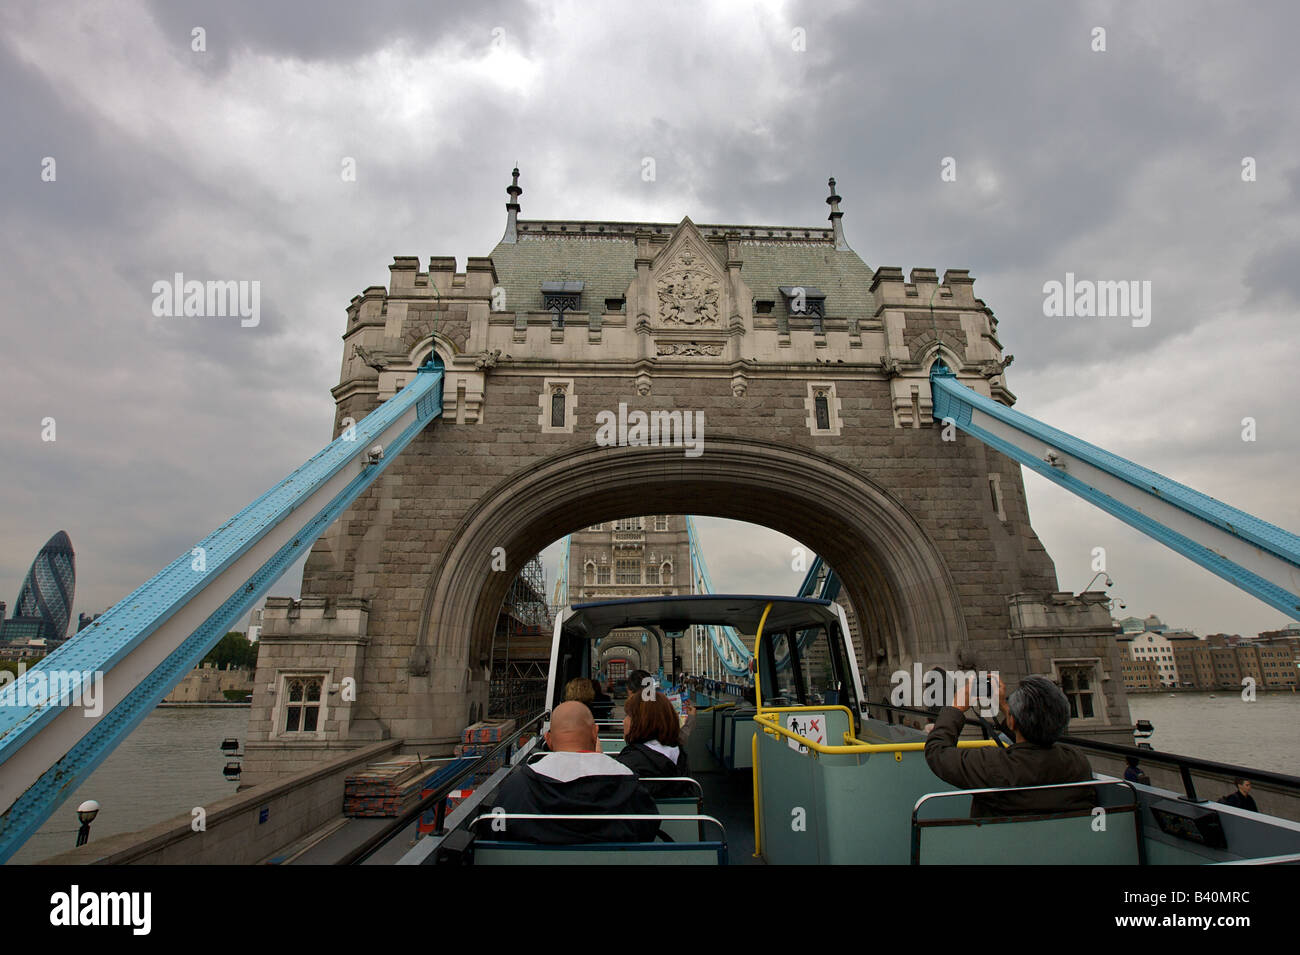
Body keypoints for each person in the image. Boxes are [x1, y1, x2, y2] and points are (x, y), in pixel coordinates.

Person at [924, 675, 1095, 818]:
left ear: (1012, 721)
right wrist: (1005, 707)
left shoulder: (993, 766)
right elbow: (1034, 742)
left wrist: (956, 707)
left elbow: (937, 752)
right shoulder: (1077, 762)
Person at [491, 701, 659, 843]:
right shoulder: (630, 786)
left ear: (548, 740)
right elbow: (648, 829)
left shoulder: (518, 787)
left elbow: (496, 832)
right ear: (595, 733)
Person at [617, 689, 694, 796]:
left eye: (628, 716)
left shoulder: (629, 762)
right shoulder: (680, 757)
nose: (624, 721)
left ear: (641, 722)